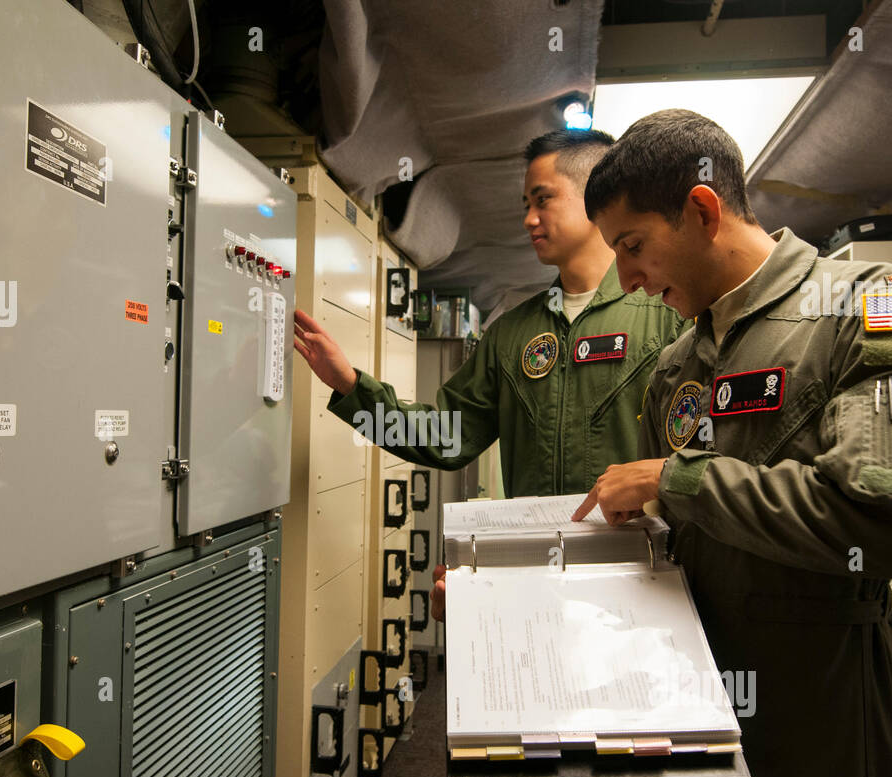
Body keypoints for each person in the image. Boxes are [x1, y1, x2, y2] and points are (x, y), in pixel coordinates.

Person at [574, 109, 892, 777]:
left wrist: (674, 478)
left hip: (814, 720)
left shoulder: (874, 306)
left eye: (633, 246)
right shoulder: (675, 367)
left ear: (701, 210)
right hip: (686, 710)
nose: (627, 280)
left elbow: (886, 521)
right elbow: (669, 544)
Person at [293, 129, 683, 621]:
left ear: (595, 199)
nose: (528, 218)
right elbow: (446, 437)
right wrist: (352, 388)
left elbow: (702, 461)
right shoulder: (512, 334)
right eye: (525, 203)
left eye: (543, 200)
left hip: (638, 584)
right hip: (541, 585)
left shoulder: (664, 315)